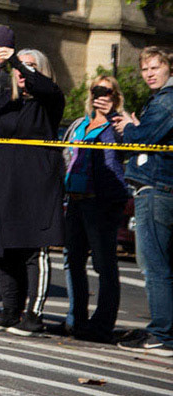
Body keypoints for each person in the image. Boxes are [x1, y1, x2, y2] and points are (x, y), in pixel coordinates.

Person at [0, 31, 64, 333]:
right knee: (3, 246)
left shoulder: (50, 100)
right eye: (20, 68)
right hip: (3, 180)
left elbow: (44, 87)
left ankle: (33, 315)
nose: (23, 73)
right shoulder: (8, 102)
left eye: (31, 66)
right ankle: (9, 309)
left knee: (32, 248)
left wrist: (17, 62)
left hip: (35, 182)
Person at [62, 75, 129, 341]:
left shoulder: (118, 125)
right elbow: (67, 155)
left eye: (107, 91)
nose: (100, 95)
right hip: (76, 199)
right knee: (73, 260)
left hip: (101, 201)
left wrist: (112, 115)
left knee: (104, 263)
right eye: (96, 90)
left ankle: (102, 324)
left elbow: (123, 149)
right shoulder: (80, 124)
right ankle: (77, 320)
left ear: (116, 96)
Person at [117, 45, 172, 351]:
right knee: (159, 263)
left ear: (169, 68)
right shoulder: (161, 99)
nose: (149, 74)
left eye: (156, 67)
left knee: (154, 265)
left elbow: (144, 138)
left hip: (156, 188)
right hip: (158, 187)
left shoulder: (166, 100)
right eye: (145, 69)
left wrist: (130, 128)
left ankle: (162, 333)